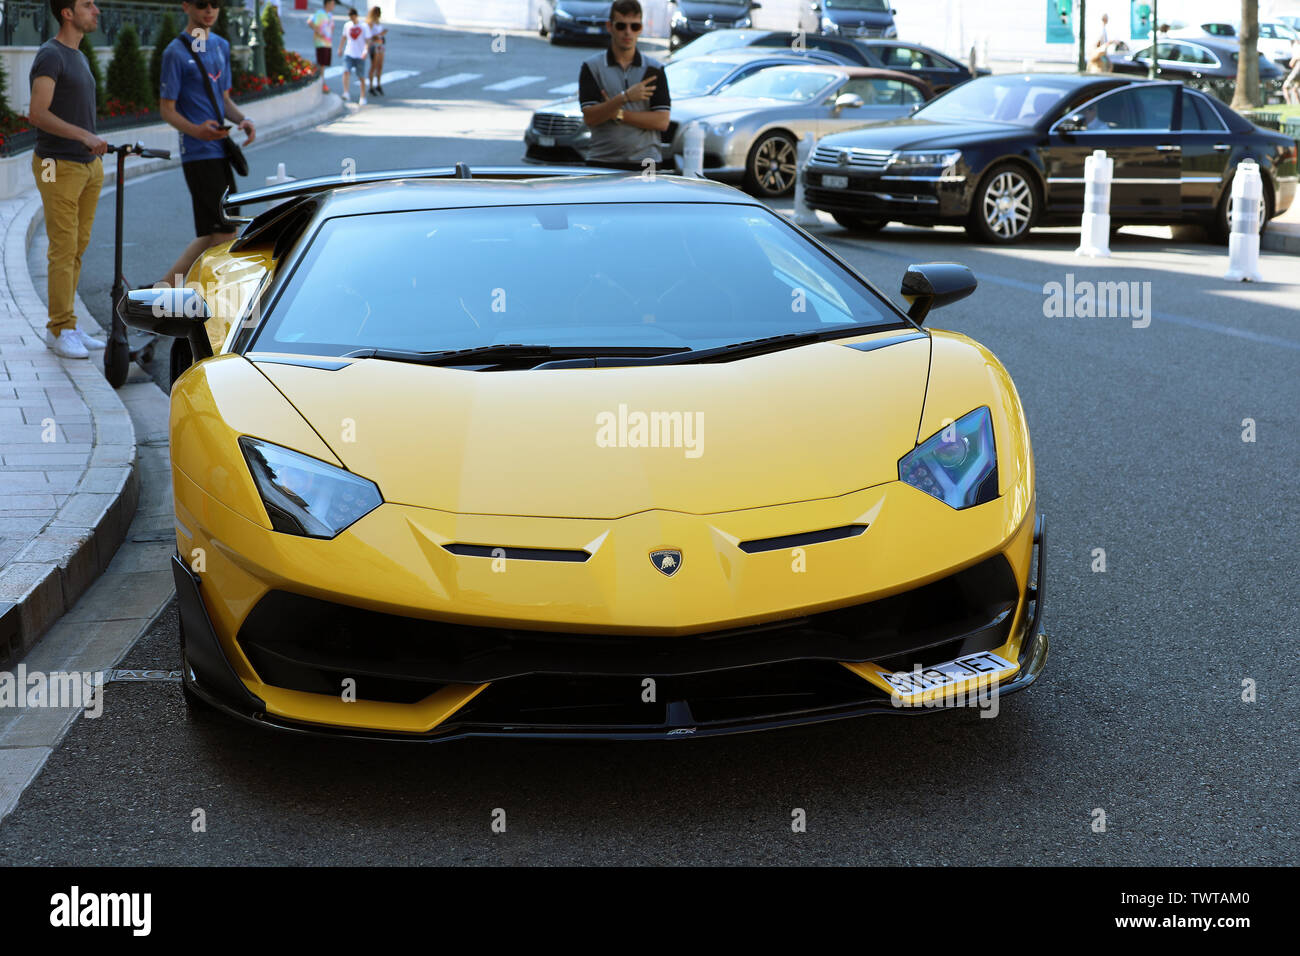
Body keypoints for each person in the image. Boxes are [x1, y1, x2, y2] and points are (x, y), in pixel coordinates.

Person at [27, 0, 109, 359]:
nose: (96, 10)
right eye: (87, 4)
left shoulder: (79, 56)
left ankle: (67, 325)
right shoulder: (51, 55)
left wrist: (90, 145)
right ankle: (61, 329)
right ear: (67, 13)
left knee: (76, 247)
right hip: (55, 164)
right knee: (63, 248)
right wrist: (83, 136)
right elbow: (37, 114)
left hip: (86, 166)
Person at [158, 0, 256, 287]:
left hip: (220, 150)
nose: (209, 10)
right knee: (225, 232)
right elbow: (166, 109)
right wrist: (196, 131)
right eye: (202, 4)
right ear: (185, 6)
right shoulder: (175, 53)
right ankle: (188, 298)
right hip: (198, 153)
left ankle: (162, 293)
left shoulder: (221, 46)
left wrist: (243, 120)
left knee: (216, 233)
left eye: (215, 4)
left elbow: (223, 100)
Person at [578, 0, 670, 170]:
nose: (628, 32)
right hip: (602, 160)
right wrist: (625, 97)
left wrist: (616, 112)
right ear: (609, 26)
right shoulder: (592, 67)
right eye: (621, 26)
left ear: (641, 28)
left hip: (646, 162)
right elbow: (590, 117)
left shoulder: (654, 69)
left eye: (634, 27)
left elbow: (661, 121)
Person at [337, 7, 371, 105]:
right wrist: (340, 48)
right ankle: (346, 92)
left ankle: (363, 96)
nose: (352, 19)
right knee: (346, 71)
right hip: (349, 52)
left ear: (356, 16)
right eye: (350, 17)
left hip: (360, 54)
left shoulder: (364, 26)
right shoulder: (347, 25)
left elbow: (368, 40)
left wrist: (365, 50)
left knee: (361, 76)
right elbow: (344, 37)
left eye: (353, 17)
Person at [308, 0, 337, 94]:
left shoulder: (330, 15)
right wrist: (318, 32)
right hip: (321, 42)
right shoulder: (320, 13)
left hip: (328, 43)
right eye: (332, 3)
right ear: (327, 3)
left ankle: (320, 83)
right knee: (321, 64)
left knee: (323, 64)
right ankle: (320, 84)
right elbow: (310, 22)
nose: (334, 5)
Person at [366, 7, 387, 97]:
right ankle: (371, 86)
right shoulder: (370, 23)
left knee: (380, 66)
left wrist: (382, 36)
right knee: (374, 66)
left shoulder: (378, 23)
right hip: (374, 46)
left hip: (380, 46)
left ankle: (378, 84)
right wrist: (380, 34)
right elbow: (369, 36)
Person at [1284, 38, 1300, 105]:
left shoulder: (1297, 48)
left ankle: (1289, 103)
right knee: (1295, 88)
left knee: (1285, 87)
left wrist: (1292, 65)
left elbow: (1292, 63)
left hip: (1297, 71)